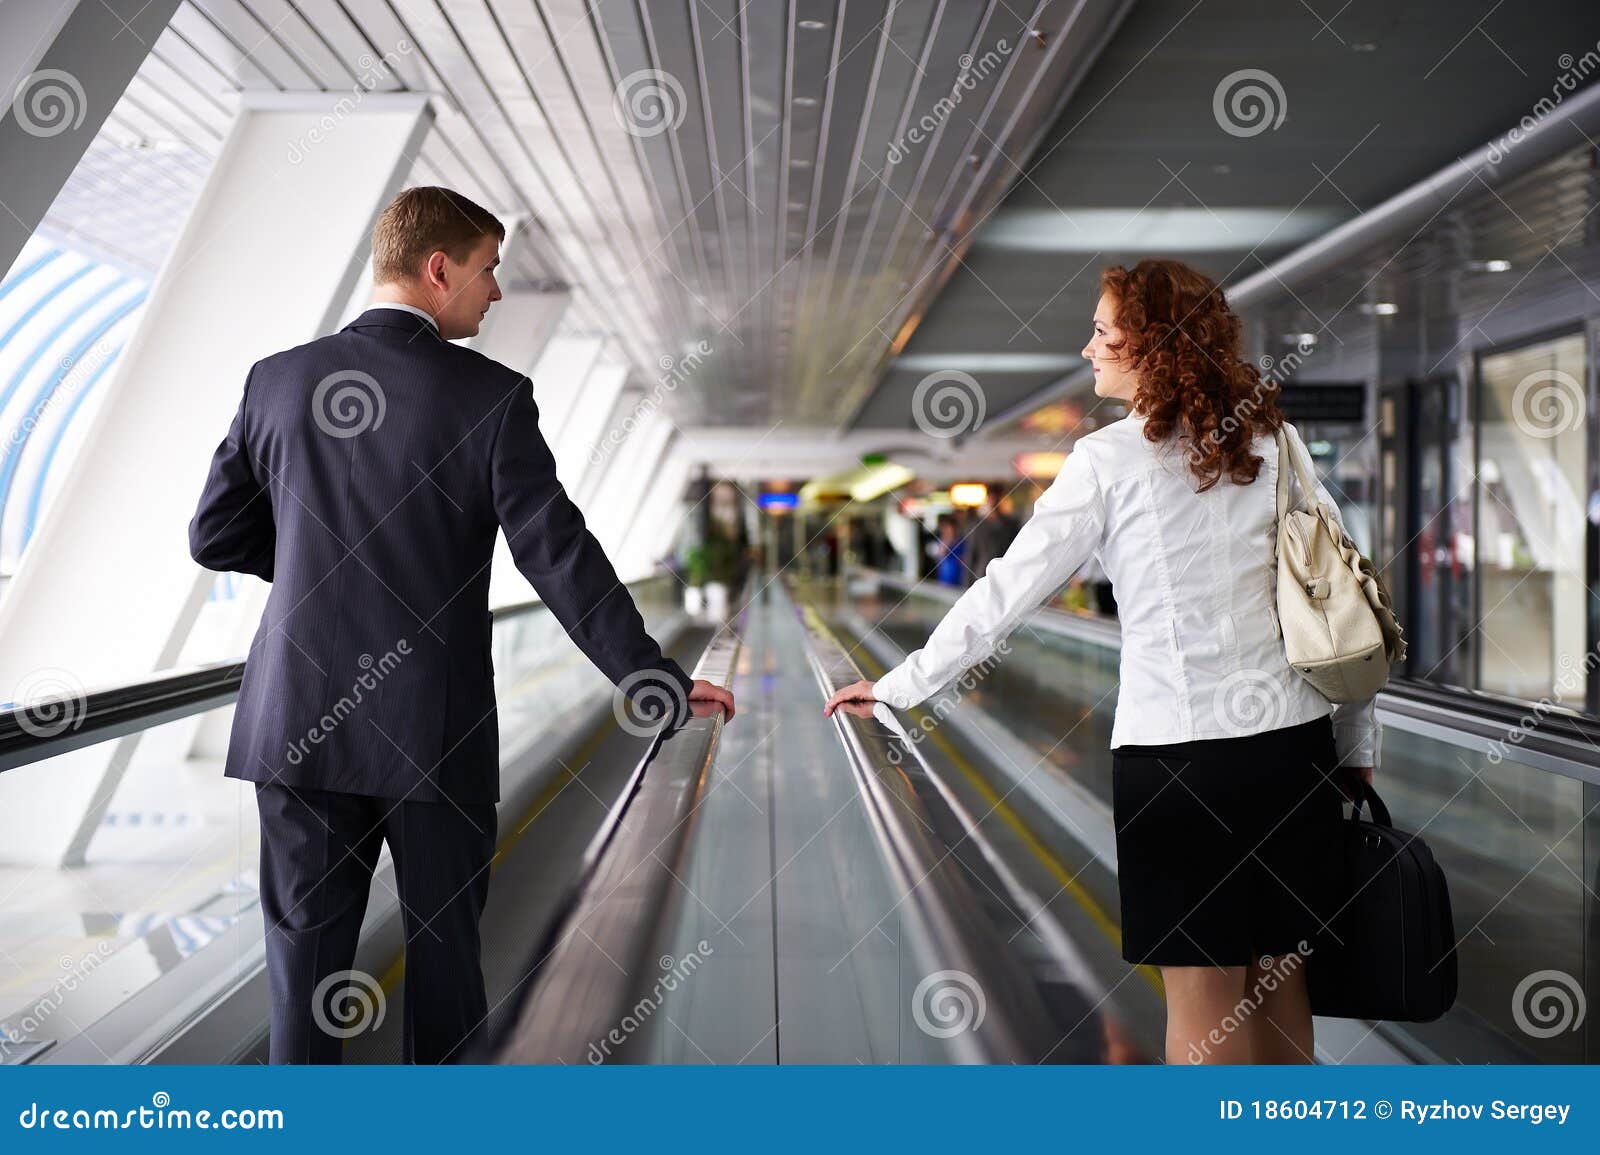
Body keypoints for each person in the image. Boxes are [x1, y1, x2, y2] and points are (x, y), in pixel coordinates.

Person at [188, 186, 734, 1064]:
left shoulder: (275, 380)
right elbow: (558, 555)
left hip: (295, 726)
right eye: (488, 269)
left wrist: (319, 575)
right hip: (431, 736)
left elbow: (214, 535)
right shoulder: (490, 399)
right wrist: (651, 679)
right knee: (446, 975)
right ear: (438, 269)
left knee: (303, 976)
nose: (497, 291)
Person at [824, 258, 1379, 1066]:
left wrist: (899, 686)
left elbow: (1004, 593)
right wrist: (1355, 751)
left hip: (1177, 762)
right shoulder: (1278, 442)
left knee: (1204, 998)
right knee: (1281, 985)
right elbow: (1348, 603)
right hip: (1293, 756)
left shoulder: (1107, 461)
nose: (1088, 349)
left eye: (1102, 332)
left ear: (1153, 347)